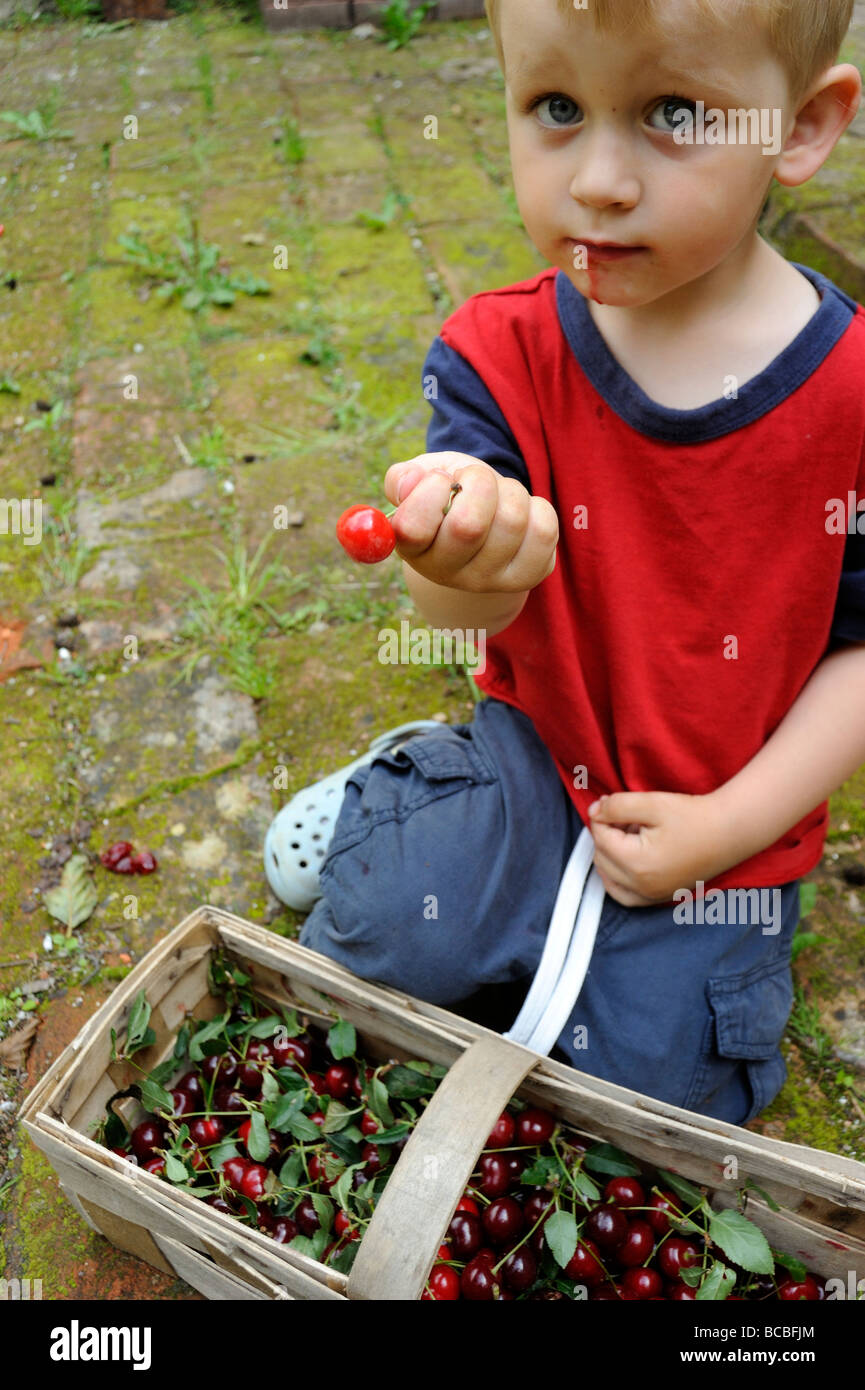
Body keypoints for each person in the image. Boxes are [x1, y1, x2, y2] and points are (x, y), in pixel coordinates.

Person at [265, 0, 865, 1125]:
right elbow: (451, 607)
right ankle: (408, 789)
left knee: (651, 1105)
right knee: (373, 944)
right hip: (542, 759)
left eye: (671, 111)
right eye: (554, 107)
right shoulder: (498, 352)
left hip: (721, 824)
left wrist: (731, 823)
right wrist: (465, 555)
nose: (595, 179)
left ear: (801, 124)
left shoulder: (853, 399)